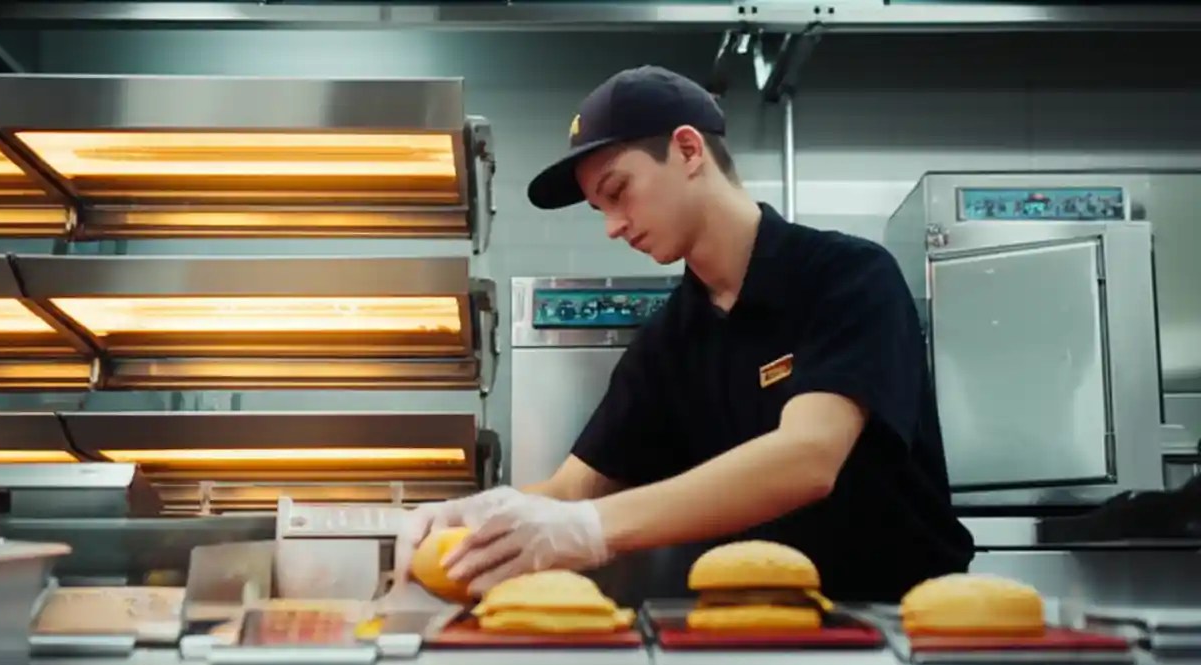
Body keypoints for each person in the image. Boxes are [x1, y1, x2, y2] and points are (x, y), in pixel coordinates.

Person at [395, 65, 974, 603]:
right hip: (754, 626)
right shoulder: (672, 340)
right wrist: (473, 517)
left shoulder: (848, 277)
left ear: (689, 150)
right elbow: (575, 489)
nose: (612, 226)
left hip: (902, 625)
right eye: (599, 208)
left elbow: (809, 457)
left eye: (618, 191)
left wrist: (590, 530)